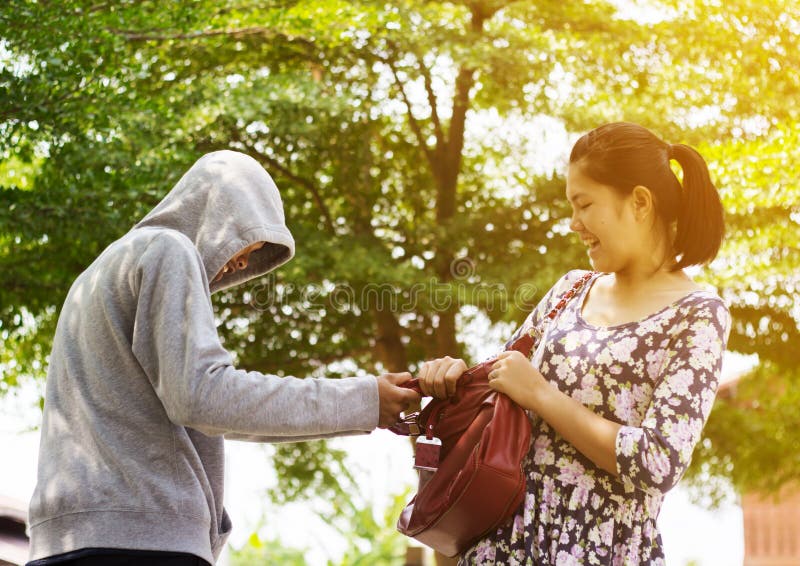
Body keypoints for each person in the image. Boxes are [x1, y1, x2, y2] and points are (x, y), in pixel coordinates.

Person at [26, 150, 420, 566]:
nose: (245, 260)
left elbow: (199, 408)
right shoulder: (168, 250)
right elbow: (203, 397)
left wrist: (364, 410)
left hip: (60, 544)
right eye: (246, 236)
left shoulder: (95, 277)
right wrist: (365, 399)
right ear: (214, 208)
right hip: (142, 545)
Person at [418, 122, 730, 565]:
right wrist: (453, 375)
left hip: (599, 551)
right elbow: (503, 388)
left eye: (584, 204)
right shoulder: (571, 288)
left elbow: (658, 461)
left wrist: (542, 396)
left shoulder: (698, 315)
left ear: (639, 202)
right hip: (502, 544)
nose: (574, 223)